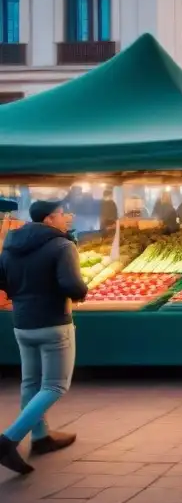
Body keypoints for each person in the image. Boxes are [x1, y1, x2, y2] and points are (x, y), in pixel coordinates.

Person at [0, 201, 89, 475]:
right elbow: (72, 285)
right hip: (53, 322)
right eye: (63, 214)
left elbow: (3, 282)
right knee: (54, 386)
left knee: (31, 382)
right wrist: (81, 291)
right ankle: (8, 440)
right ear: (50, 219)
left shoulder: (10, 246)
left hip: (22, 323)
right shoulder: (62, 246)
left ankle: (40, 437)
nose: (66, 218)